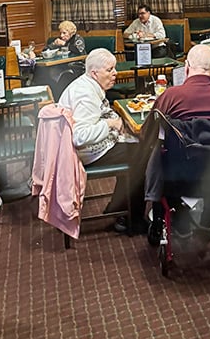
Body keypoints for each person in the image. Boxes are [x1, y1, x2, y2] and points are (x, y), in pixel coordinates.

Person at [144, 44, 210, 228]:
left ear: (187, 67)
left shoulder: (170, 96)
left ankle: (177, 214)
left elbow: (148, 133)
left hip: (177, 175)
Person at [58, 47, 149, 230]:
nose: (115, 73)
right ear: (94, 73)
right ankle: (130, 219)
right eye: (110, 70)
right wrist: (110, 125)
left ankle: (118, 208)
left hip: (88, 148)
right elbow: (79, 137)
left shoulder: (87, 84)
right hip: (83, 154)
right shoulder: (85, 95)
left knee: (137, 148)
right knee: (145, 154)